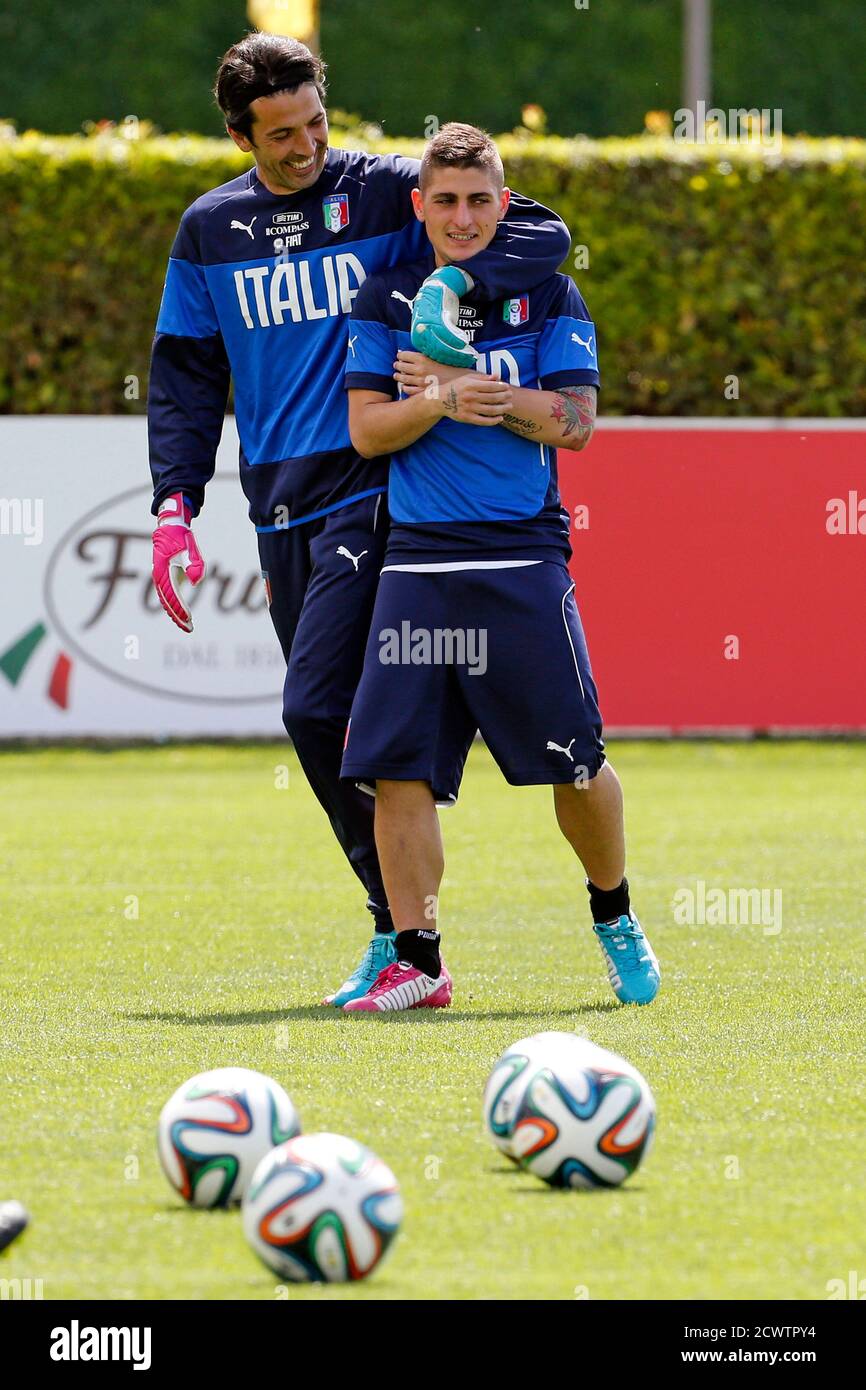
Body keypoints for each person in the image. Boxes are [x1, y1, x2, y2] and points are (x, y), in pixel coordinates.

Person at [147, 34, 572, 1007]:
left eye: (315, 124)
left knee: (310, 707)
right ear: (237, 134)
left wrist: (456, 283)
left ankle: (402, 940)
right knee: (337, 725)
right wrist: (175, 507)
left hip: (368, 494)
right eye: (281, 134)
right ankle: (402, 938)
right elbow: (182, 376)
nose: (304, 147)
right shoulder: (209, 229)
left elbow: (538, 231)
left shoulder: (384, 189)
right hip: (277, 507)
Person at [340, 122, 660, 1013]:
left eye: (480, 199)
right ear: (421, 207)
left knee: (574, 761)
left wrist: (495, 398)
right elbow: (369, 430)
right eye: (445, 200)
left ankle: (614, 914)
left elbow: (577, 422)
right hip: (416, 565)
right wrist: (442, 400)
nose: (463, 216)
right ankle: (419, 959)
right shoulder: (387, 292)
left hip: (522, 557)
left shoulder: (551, 292)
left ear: (504, 202)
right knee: (396, 768)